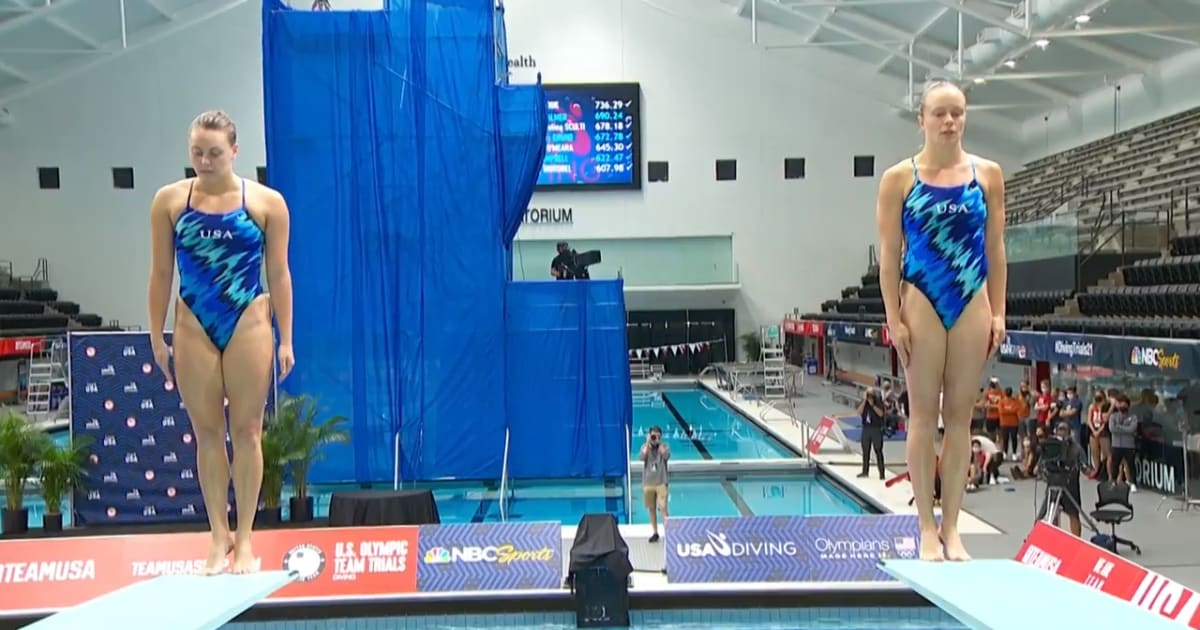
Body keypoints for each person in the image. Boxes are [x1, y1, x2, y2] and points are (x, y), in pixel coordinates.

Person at [147, 110, 295, 575]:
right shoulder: (170, 202)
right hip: (194, 323)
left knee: (248, 431)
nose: (205, 161)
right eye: (197, 153)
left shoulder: (266, 203)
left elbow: (279, 273)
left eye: (214, 153)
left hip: (248, 317)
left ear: (235, 151)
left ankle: (246, 539)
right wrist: (154, 333)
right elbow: (161, 274)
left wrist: (286, 337)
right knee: (208, 433)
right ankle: (218, 537)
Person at [875, 79, 1008, 562]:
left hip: (972, 297)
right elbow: (889, 257)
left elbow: (995, 248)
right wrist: (894, 317)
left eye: (957, 113)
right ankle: (925, 528)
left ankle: (953, 528)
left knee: (960, 420)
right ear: (922, 120)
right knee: (923, 418)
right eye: (940, 114)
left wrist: (1000, 310)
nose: (950, 122)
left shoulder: (987, 175)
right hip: (922, 298)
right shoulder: (899, 179)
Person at [639, 426, 671, 543]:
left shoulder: (664, 446)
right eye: (653, 436)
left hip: (661, 482)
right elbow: (642, 457)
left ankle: (669, 533)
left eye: (658, 436)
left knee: (663, 507)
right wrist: (648, 442)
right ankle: (655, 532)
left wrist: (659, 444)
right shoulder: (645, 447)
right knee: (651, 508)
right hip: (648, 483)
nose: (655, 438)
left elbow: (666, 456)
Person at [857, 387, 887, 480]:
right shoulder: (864, 403)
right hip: (866, 428)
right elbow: (859, 412)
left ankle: (882, 473)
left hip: (876, 428)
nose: (869, 396)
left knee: (878, 450)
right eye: (868, 394)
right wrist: (864, 401)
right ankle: (865, 471)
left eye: (871, 394)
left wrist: (873, 405)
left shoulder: (878, 402)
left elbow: (881, 414)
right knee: (865, 451)